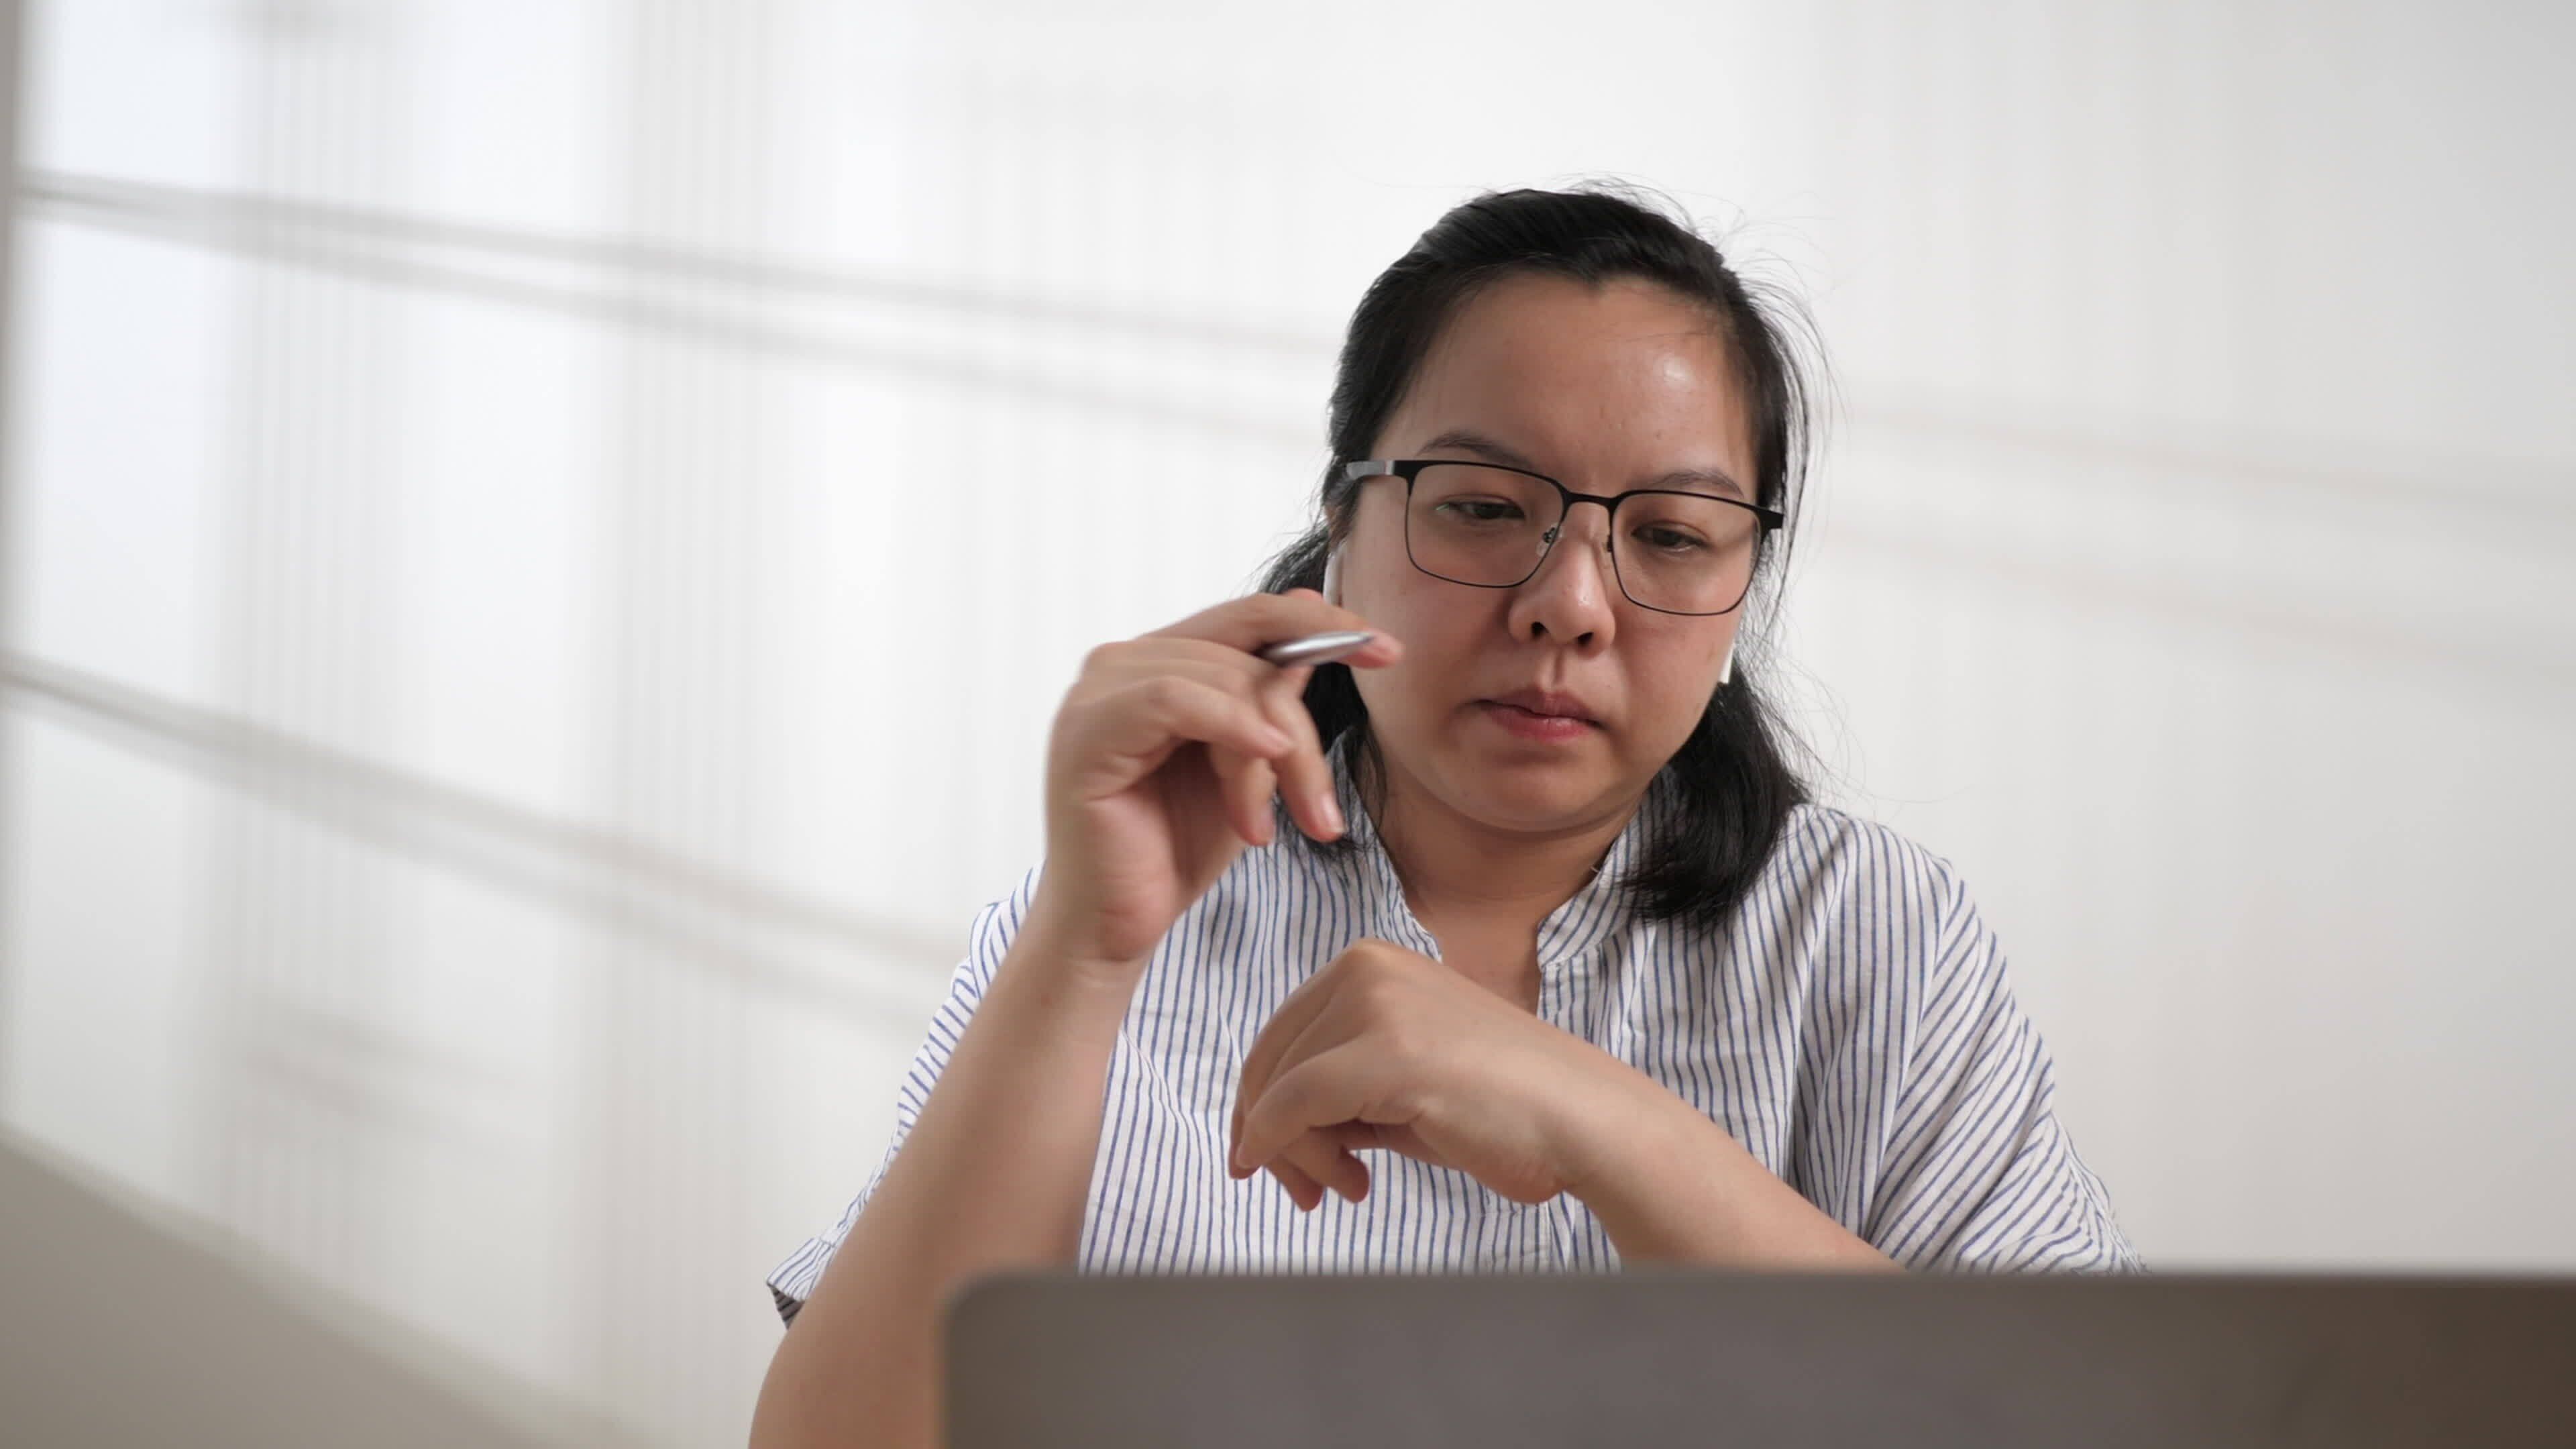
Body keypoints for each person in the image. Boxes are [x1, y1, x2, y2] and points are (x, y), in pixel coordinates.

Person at [747, 186, 2137, 1449]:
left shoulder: (1873, 932)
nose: (1570, 605)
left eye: (1669, 536)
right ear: (1344, 530)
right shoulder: (1102, 928)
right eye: (1482, 507)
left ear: (1742, 592)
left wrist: (1602, 1122)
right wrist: (1081, 951)